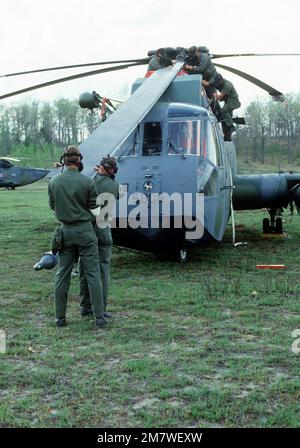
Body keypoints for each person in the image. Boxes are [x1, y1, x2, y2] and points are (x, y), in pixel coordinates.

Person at [48, 146, 106, 328]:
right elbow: (96, 211)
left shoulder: (54, 182)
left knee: (62, 274)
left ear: (64, 160)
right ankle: (99, 317)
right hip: (85, 231)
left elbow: (52, 206)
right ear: (79, 160)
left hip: (65, 232)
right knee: (93, 273)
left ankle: (60, 318)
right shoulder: (88, 182)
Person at [79, 156, 120, 318]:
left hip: (86, 230)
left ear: (101, 167)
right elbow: (117, 191)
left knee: (84, 268)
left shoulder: (88, 182)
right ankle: (101, 308)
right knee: (102, 270)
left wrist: (97, 174)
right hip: (103, 230)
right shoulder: (114, 185)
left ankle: (86, 306)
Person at [214, 74, 241, 141]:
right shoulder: (221, 84)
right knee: (224, 118)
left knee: (223, 111)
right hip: (228, 101)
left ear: (222, 79)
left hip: (233, 101)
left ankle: (231, 126)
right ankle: (227, 136)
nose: (218, 84)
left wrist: (215, 96)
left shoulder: (227, 85)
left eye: (219, 82)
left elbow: (220, 97)